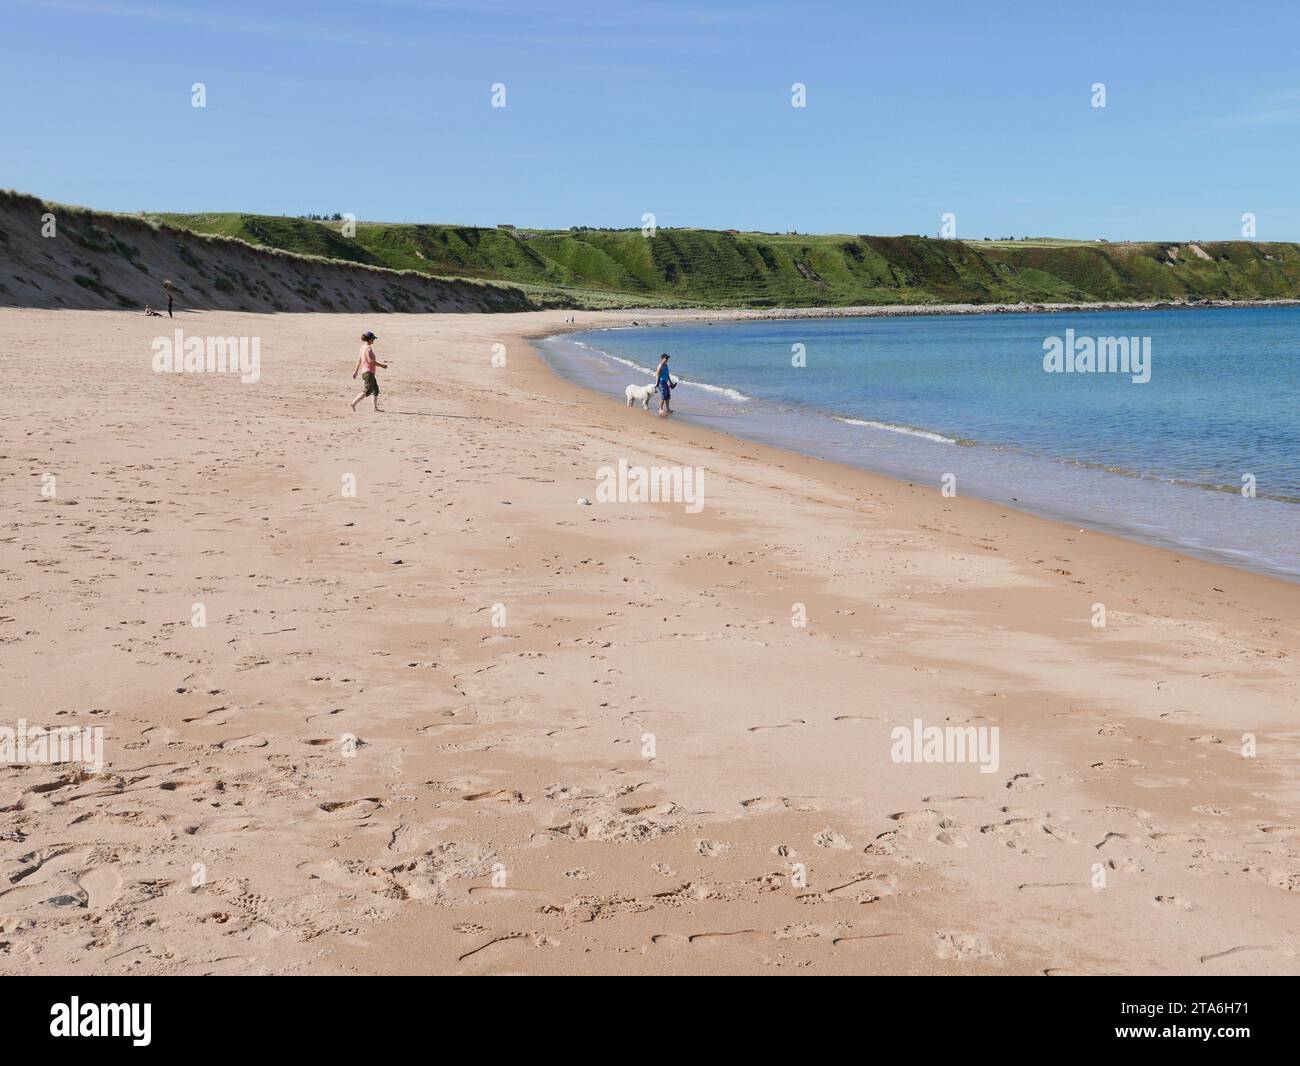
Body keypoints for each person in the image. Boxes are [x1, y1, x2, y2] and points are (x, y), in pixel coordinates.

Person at [350, 330, 387, 412]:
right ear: (369, 339)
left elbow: (359, 360)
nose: (374, 340)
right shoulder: (368, 349)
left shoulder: (362, 347)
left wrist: (355, 371)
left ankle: (375, 408)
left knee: (375, 389)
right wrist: (382, 365)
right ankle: (353, 403)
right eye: (373, 339)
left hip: (366, 372)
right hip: (368, 372)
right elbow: (370, 361)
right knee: (368, 390)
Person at [656, 353, 674, 417]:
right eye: (666, 358)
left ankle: (668, 409)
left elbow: (667, 374)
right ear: (662, 358)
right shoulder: (660, 365)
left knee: (668, 396)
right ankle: (660, 408)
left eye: (667, 358)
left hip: (665, 382)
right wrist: (657, 383)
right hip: (661, 382)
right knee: (663, 396)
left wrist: (671, 382)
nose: (667, 359)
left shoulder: (666, 365)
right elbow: (657, 374)